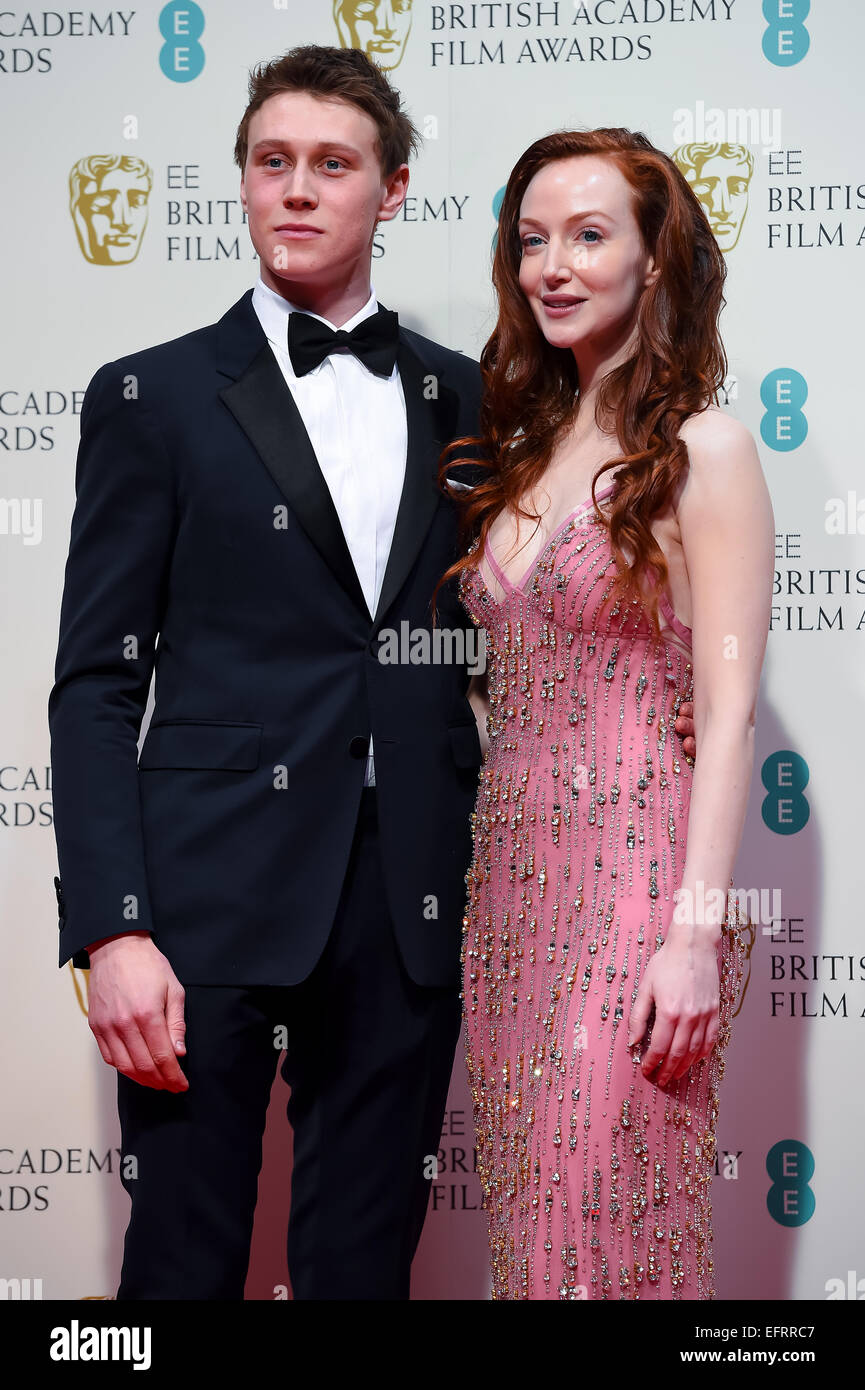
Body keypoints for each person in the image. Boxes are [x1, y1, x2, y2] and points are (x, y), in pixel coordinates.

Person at [48, 46, 697, 1301]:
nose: (296, 189)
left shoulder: (477, 401)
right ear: (241, 182)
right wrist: (111, 926)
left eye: (331, 165)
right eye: (270, 162)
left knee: (362, 1272)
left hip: (410, 904)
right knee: (173, 1270)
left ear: (391, 190)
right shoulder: (153, 395)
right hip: (203, 908)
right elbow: (94, 683)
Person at [441, 128, 773, 1300]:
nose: (552, 266)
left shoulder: (704, 449)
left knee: (605, 1227)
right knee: (538, 1240)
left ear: (653, 259)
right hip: (511, 900)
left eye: (588, 235)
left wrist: (691, 936)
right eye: (531, 240)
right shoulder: (522, 451)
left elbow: (728, 710)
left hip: (637, 893)